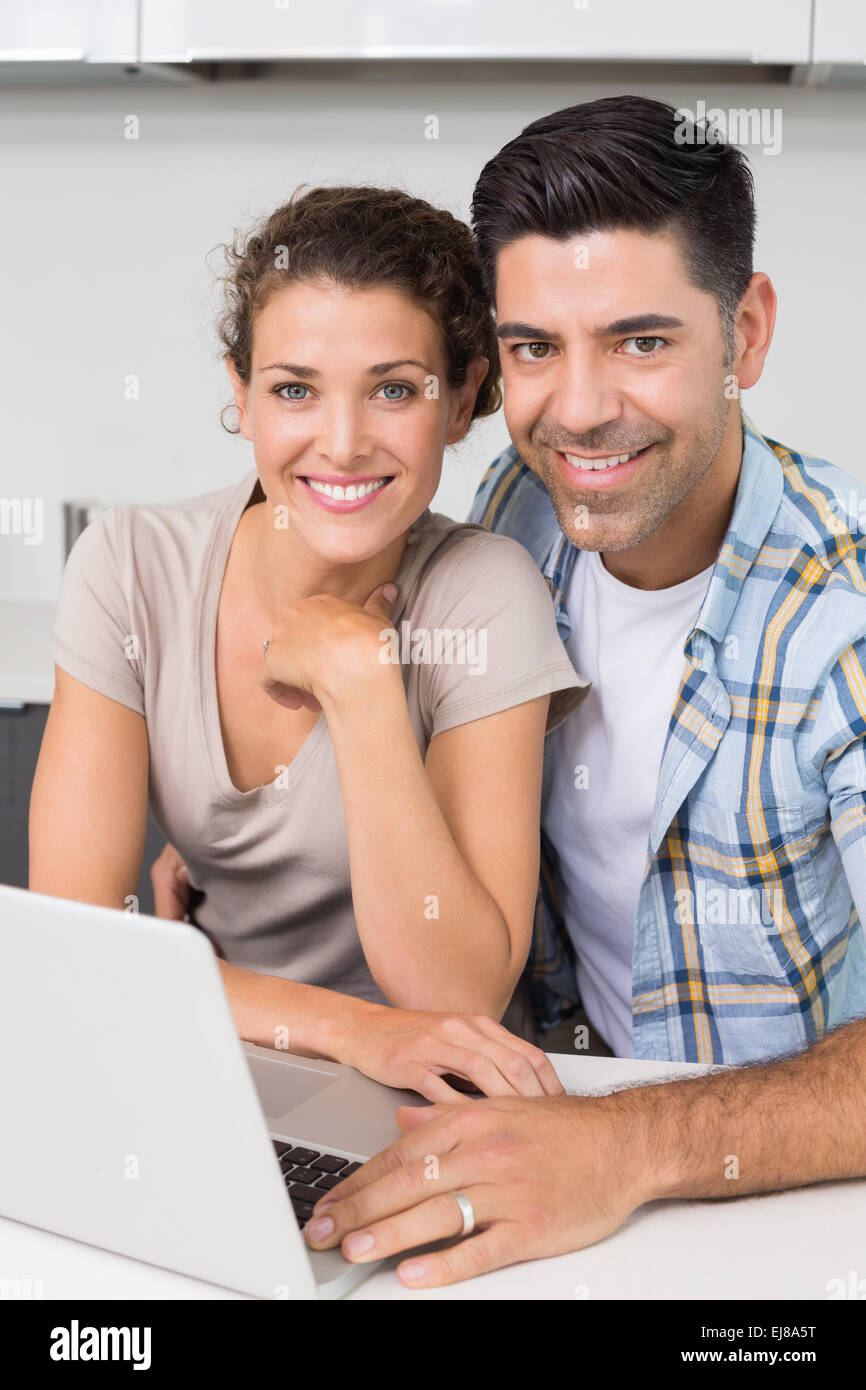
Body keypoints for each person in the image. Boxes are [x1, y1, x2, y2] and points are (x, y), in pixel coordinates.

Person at [298, 96, 866, 1287]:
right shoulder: (516, 511)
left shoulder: (841, 621)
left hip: (775, 1207)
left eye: (641, 342)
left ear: (745, 333)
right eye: (533, 349)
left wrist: (622, 1146)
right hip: (535, 1137)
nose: (580, 407)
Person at [30, 185, 589, 1104]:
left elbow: (455, 997)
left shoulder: (484, 595)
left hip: (434, 1096)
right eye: (294, 389)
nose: (341, 443)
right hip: (206, 1059)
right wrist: (350, 1028)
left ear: (462, 402)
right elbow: (79, 954)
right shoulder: (129, 569)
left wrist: (364, 691)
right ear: (240, 398)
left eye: (395, 390)